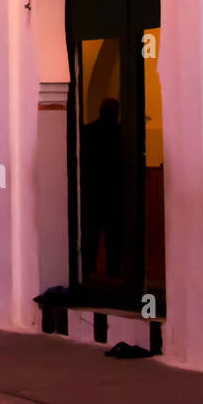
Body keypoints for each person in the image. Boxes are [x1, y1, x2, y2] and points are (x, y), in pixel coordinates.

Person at [80, 96, 124, 280]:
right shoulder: (122, 133)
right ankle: (114, 271)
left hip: (92, 190)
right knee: (113, 236)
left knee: (90, 235)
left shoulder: (87, 131)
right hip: (114, 192)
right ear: (116, 113)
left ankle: (88, 270)